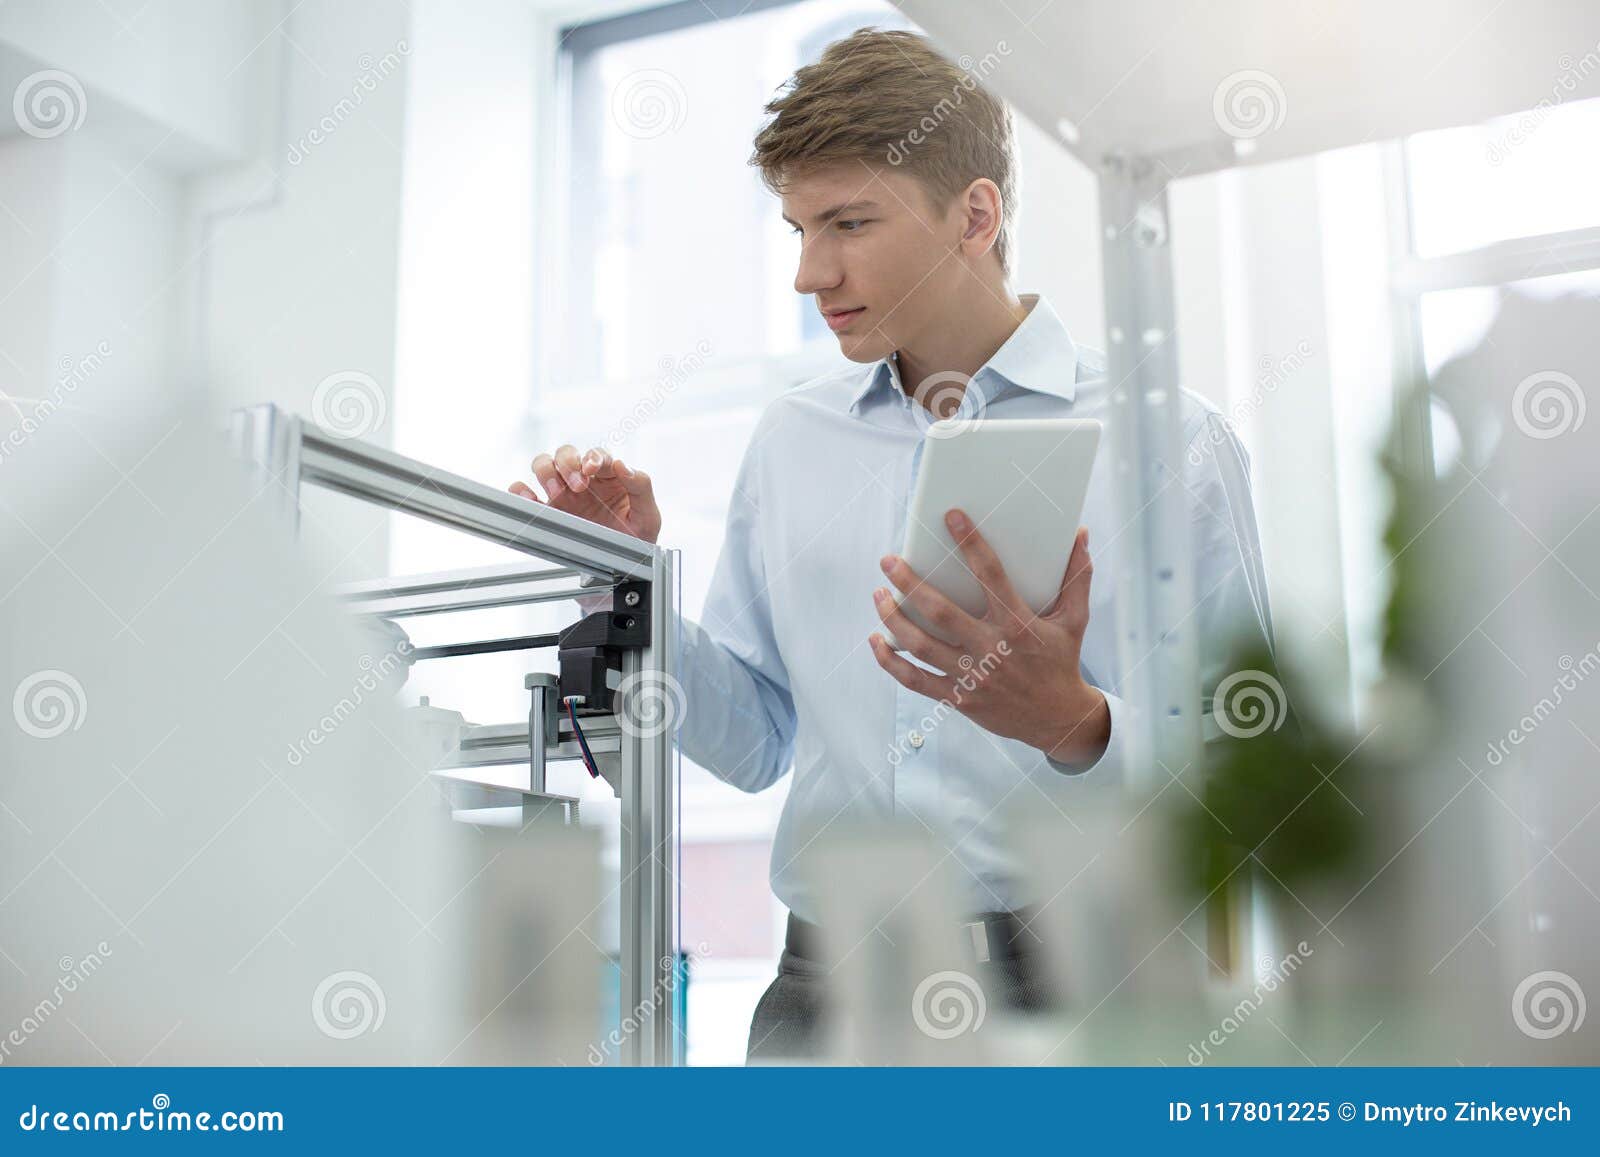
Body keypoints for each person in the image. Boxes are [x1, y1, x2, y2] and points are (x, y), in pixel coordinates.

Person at [510, 27, 1271, 1062]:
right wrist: (627, 584)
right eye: (796, 227)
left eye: (849, 222)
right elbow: (754, 740)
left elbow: (1256, 775)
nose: (809, 272)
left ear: (975, 214)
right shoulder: (792, 438)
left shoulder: (1169, 439)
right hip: (826, 993)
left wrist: (1077, 721)